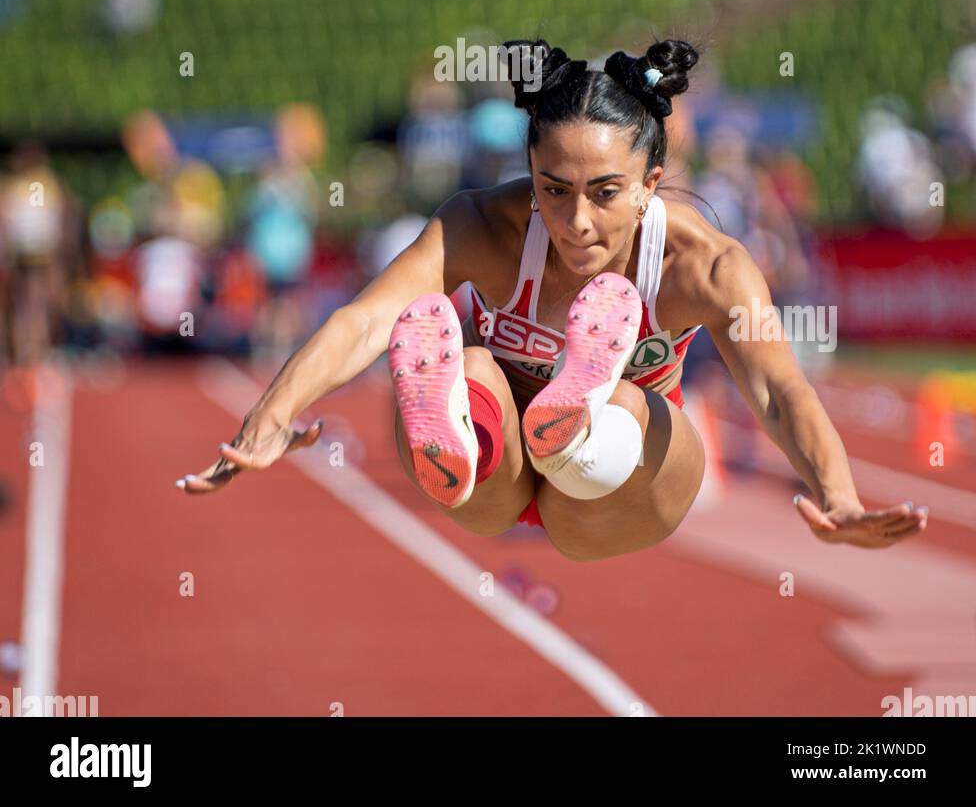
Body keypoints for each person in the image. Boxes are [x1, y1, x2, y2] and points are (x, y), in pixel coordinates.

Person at [177, 38, 928, 558]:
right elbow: (366, 319)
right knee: (462, 365)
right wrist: (269, 420)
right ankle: (465, 426)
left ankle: (581, 425)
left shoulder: (707, 266)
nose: (575, 223)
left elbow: (777, 387)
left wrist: (840, 497)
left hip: (616, 494)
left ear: (652, 184)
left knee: (633, 413)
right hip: (491, 473)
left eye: (605, 195)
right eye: (552, 190)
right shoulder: (481, 223)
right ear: (527, 171)